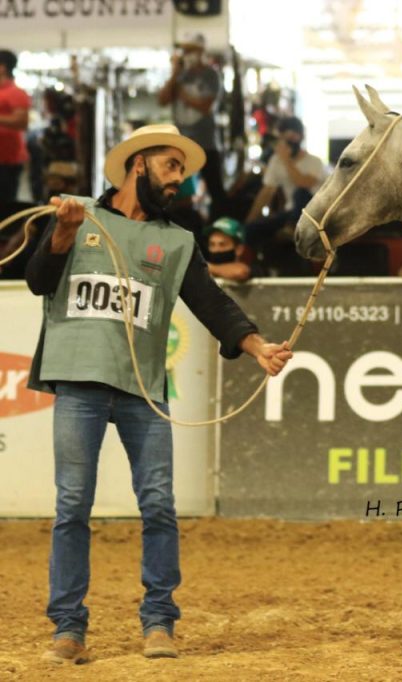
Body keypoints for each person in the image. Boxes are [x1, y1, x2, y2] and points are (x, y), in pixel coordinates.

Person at [24, 124, 293, 663]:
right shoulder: (76, 214)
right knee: (72, 505)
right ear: (138, 164)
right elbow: (38, 280)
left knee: (158, 506)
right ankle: (68, 629)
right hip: (78, 378)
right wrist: (61, 236)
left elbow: (211, 302)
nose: (178, 181)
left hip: (142, 388)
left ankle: (159, 622)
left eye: (183, 172)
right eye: (171, 166)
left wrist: (255, 344)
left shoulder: (177, 241)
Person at [157, 32, 226, 213]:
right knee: (180, 192)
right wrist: (174, 75)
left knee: (216, 191)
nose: (187, 54)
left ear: (201, 51)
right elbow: (162, 100)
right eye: (185, 50)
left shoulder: (211, 75)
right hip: (182, 144)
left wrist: (182, 94)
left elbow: (206, 106)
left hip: (206, 143)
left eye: (191, 50)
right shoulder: (179, 76)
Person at [244, 116, 327, 250]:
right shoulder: (276, 161)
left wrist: (286, 159)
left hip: (314, 214)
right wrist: (249, 221)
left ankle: (292, 227)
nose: (286, 143)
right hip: (290, 213)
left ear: (300, 137)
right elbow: (266, 192)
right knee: (252, 229)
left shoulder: (314, 161)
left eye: (291, 138)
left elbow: (303, 182)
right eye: (282, 139)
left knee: (301, 193)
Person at [0, 49, 31, 203]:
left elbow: (22, 122)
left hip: (8, 160)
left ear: (2, 67)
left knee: (5, 205)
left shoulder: (15, 92)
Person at [206, 216, 257, 282]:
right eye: (212, 244)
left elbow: (240, 272)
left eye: (222, 245)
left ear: (239, 249)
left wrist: (206, 268)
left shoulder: (253, 269)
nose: (216, 249)